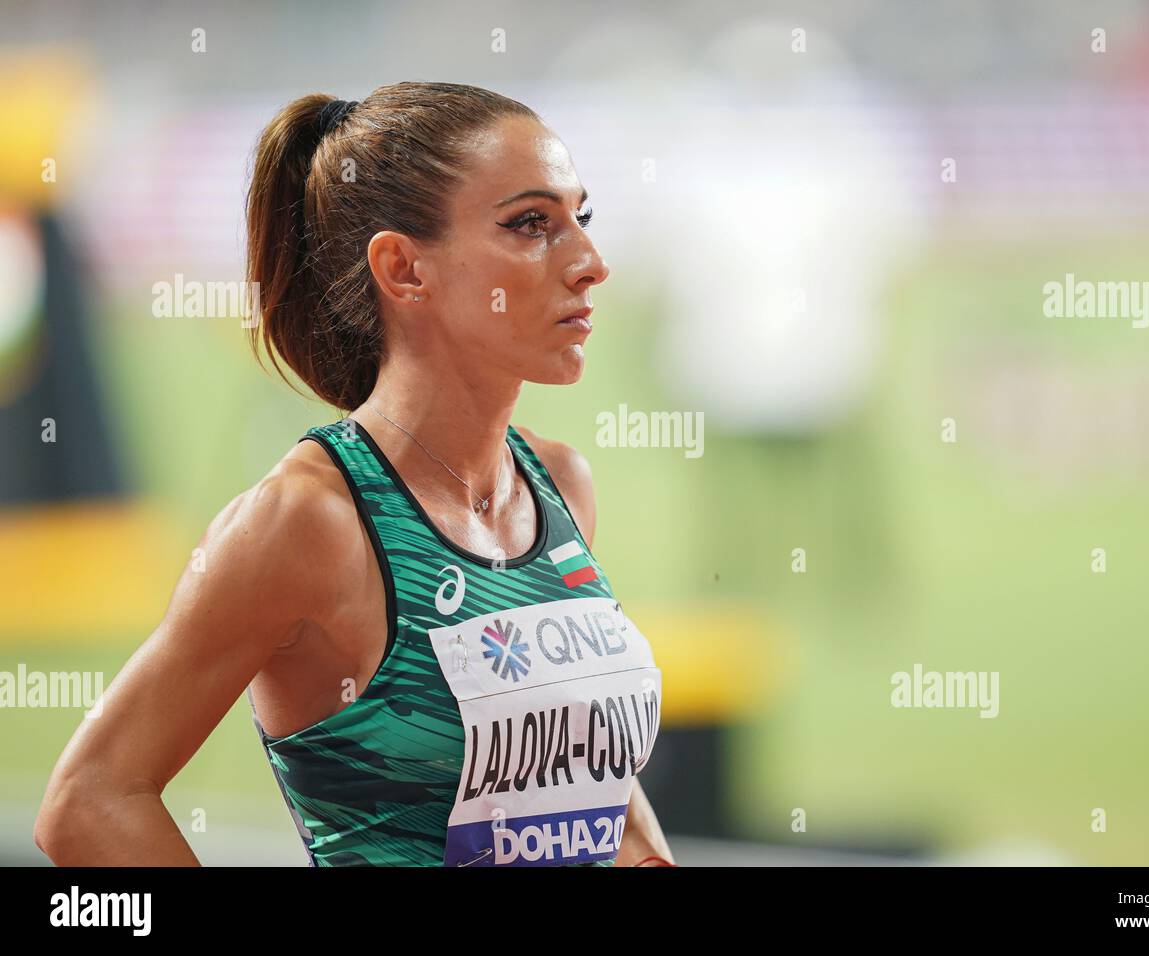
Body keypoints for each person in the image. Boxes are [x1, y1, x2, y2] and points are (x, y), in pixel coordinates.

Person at [34, 81, 674, 867]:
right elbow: (88, 802)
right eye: (532, 224)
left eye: (583, 217)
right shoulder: (307, 522)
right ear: (403, 268)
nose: (589, 262)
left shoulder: (558, 483)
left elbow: (586, 780)